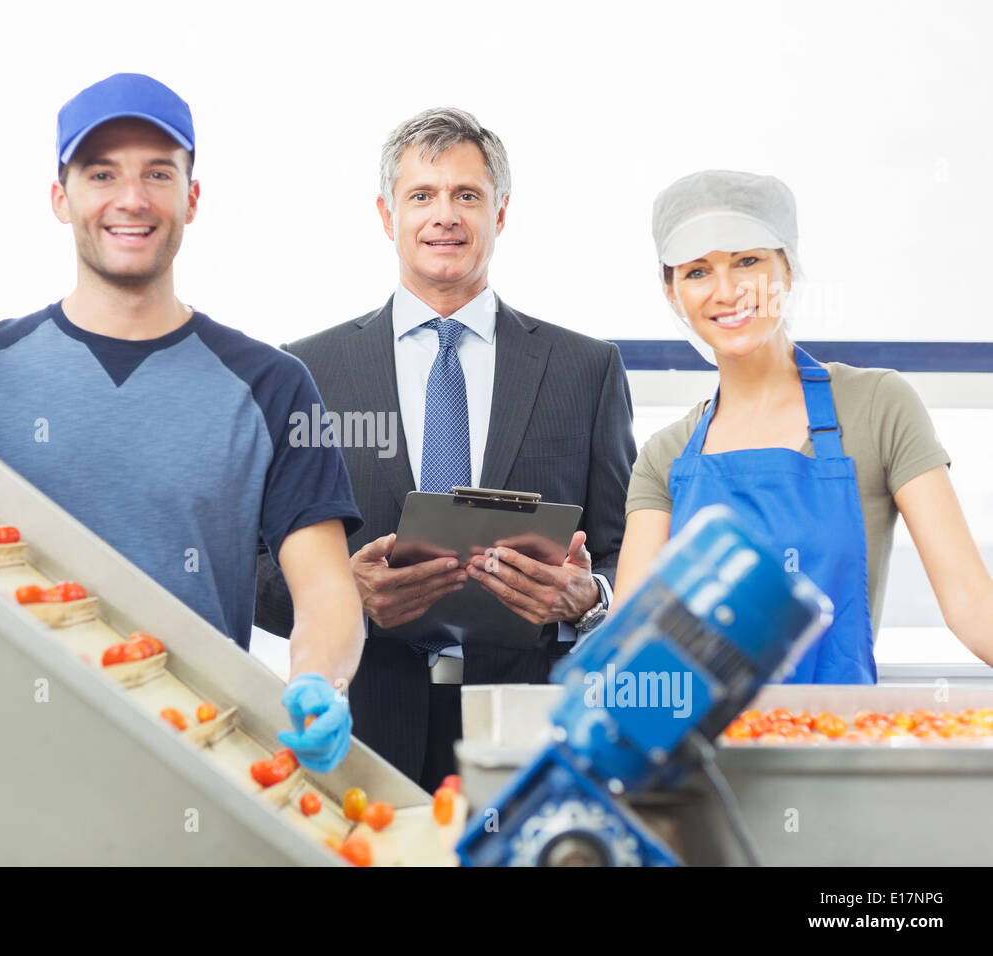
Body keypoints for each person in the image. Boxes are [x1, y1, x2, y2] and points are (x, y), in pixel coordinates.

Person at [0, 73, 365, 770]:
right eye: (102, 173)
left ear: (192, 198)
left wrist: (320, 681)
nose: (131, 199)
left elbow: (325, 590)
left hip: (191, 763)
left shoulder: (272, 387)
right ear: (61, 197)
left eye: (158, 173)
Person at [256, 108, 635, 790]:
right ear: (387, 215)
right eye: (422, 195)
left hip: (529, 728)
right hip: (364, 726)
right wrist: (345, 595)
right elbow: (256, 566)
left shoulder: (586, 370)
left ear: (500, 212)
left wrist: (590, 597)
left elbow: (624, 550)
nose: (445, 216)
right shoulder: (310, 371)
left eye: (467, 195)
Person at [614, 168, 993, 680]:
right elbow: (631, 651)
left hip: (834, 729)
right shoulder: (666, 454)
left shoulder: (877, 406)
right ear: (672, 292)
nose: (726, 291)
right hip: (698, 732)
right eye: (697, 271)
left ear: (787, 271)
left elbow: (972, 606)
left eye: (747, 261)